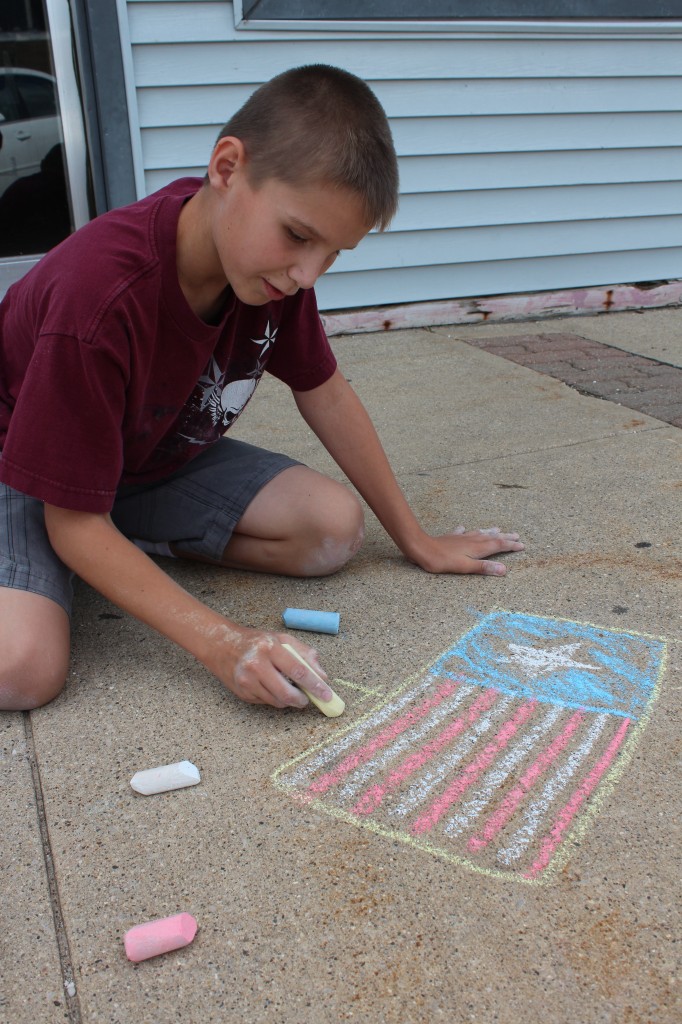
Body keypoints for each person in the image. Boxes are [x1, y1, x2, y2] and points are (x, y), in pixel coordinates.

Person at [0, 64, 523, 714]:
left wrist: (415, 538)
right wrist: (224, 642)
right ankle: (83, 565)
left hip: (140, 461)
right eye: (300, 236)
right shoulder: (99, 296)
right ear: (227, 168)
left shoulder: (269, 273)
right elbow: (72, 520)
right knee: (24, 668)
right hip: (26, 467)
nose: (308, 273)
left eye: (333, 254)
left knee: (331, 530)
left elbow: (325, 390)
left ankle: (117, 550)